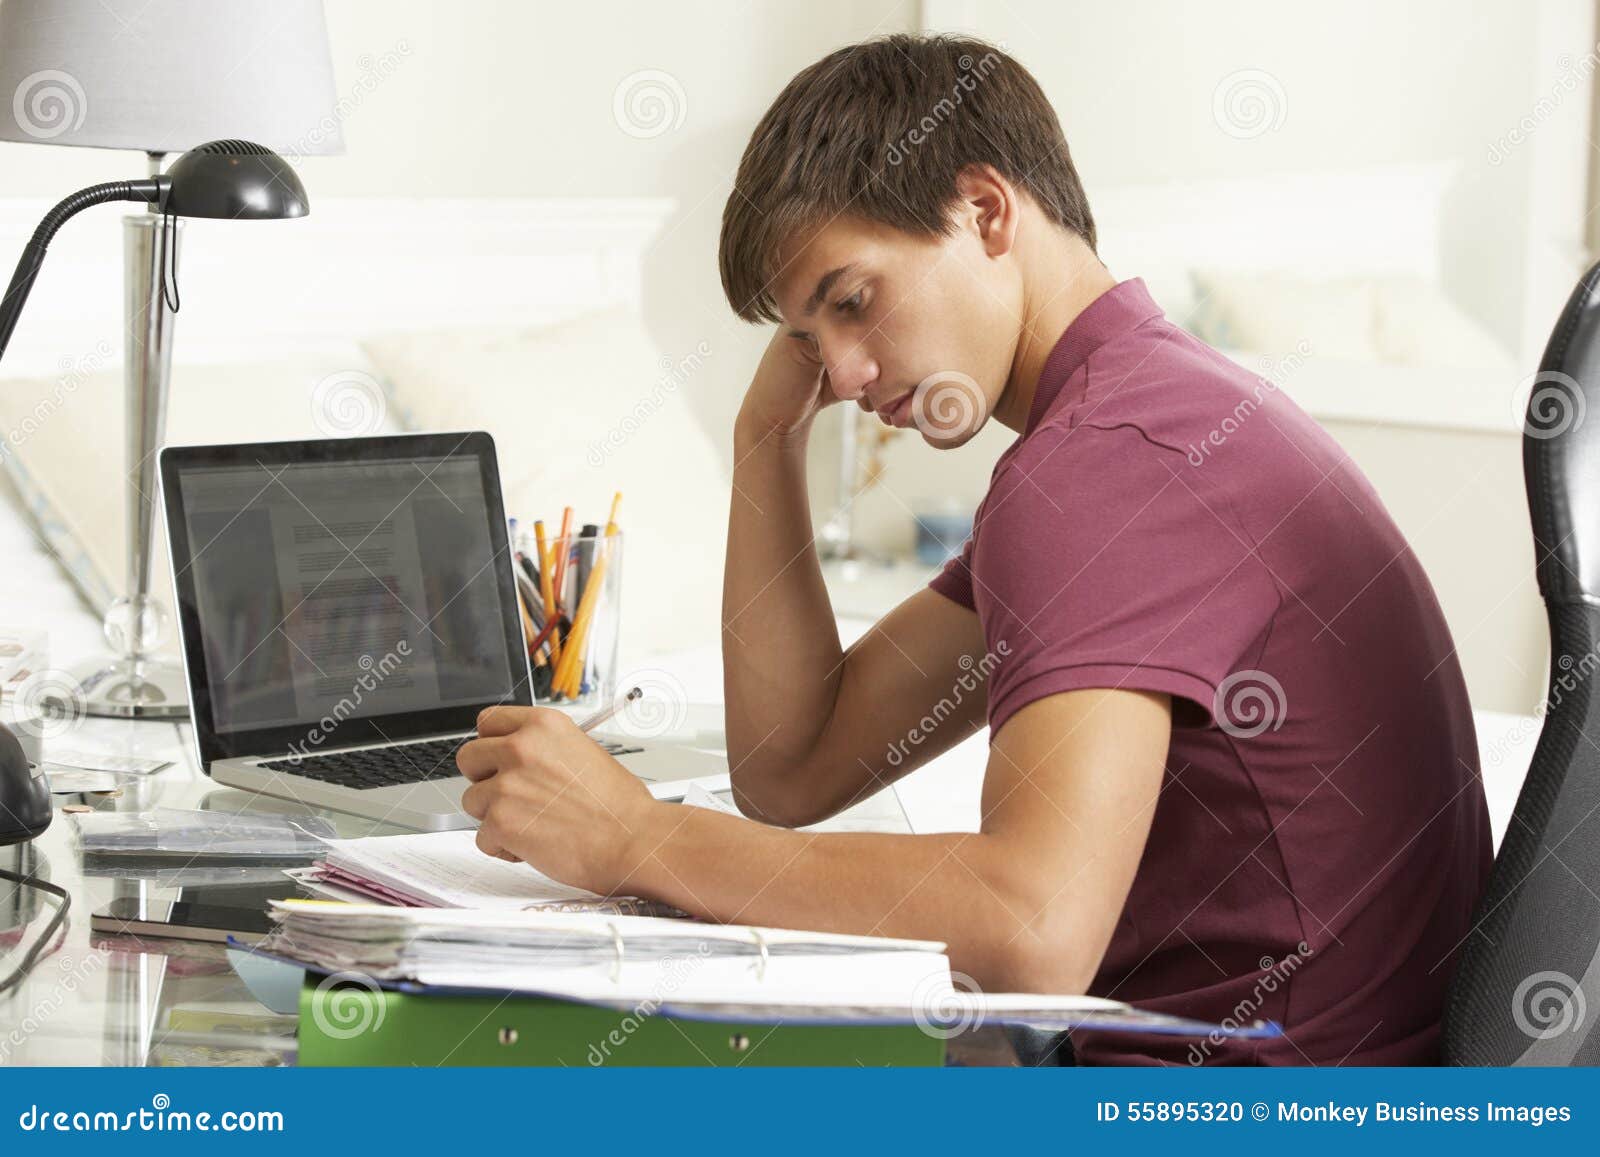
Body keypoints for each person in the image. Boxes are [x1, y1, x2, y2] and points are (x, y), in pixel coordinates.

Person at [454, 34, 1492, 1065]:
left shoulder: (1101, 468)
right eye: (811, 339)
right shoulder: (1152, 415)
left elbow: (1032, 929)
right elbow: (794, 766)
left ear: (986, 210)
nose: (848, 374)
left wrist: (639, 839)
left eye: (854, 300)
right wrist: (765, 442)